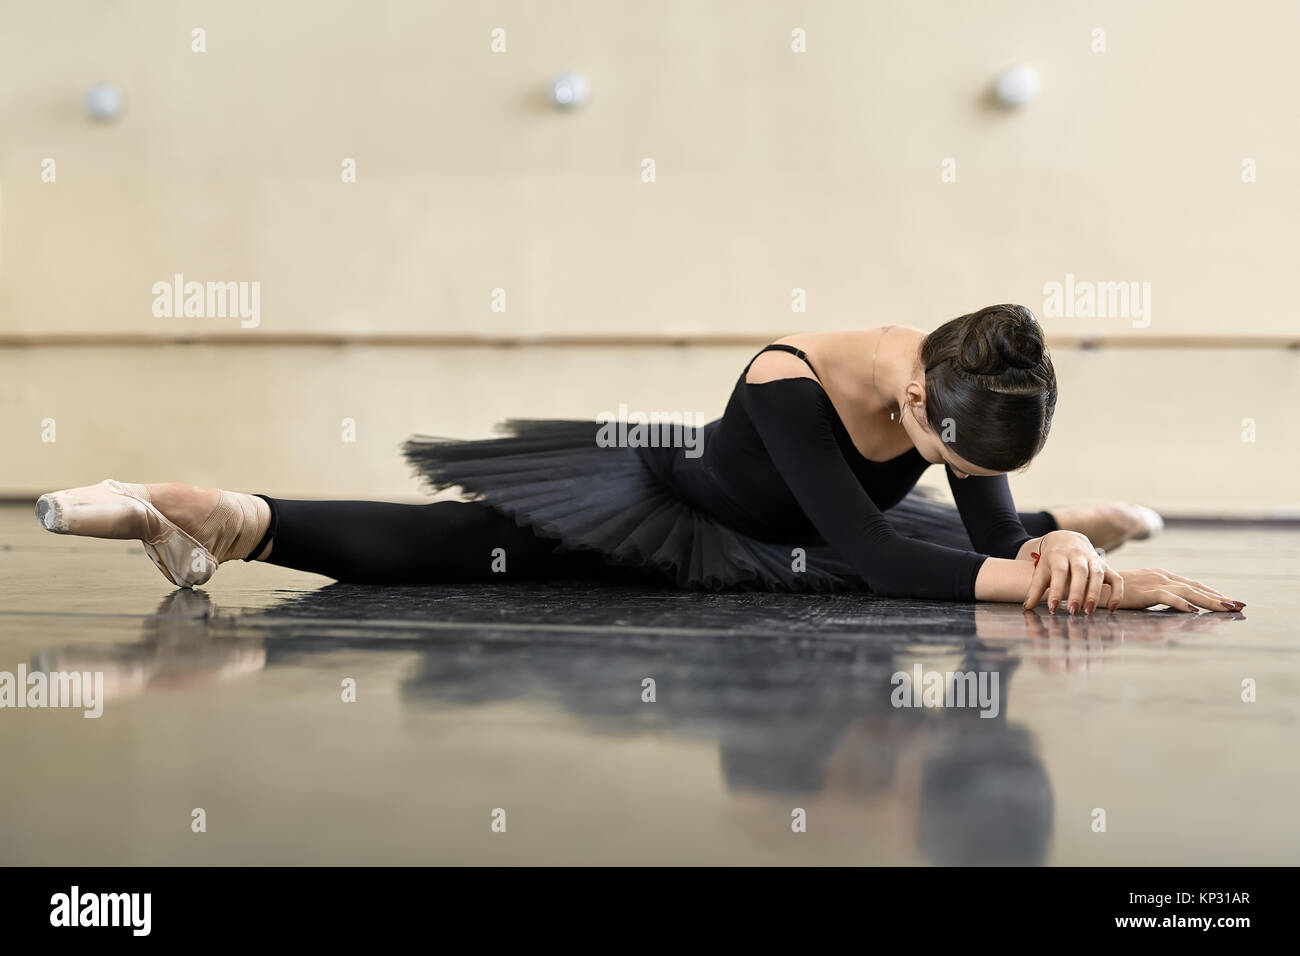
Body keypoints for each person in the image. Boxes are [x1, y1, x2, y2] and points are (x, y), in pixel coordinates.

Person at [34, 305, 1243, 613]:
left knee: (989, 541)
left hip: (798, 541)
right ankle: (212, 512)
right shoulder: (791, 377)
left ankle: (1084, 510)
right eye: (944, 449)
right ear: (918, 395)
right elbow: (877, 553)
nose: (954, 464)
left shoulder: (963, 385)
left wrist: (1048, 542)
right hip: (680, 501)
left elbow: (981, 534)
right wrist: (1091, 588)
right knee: (470, 549)